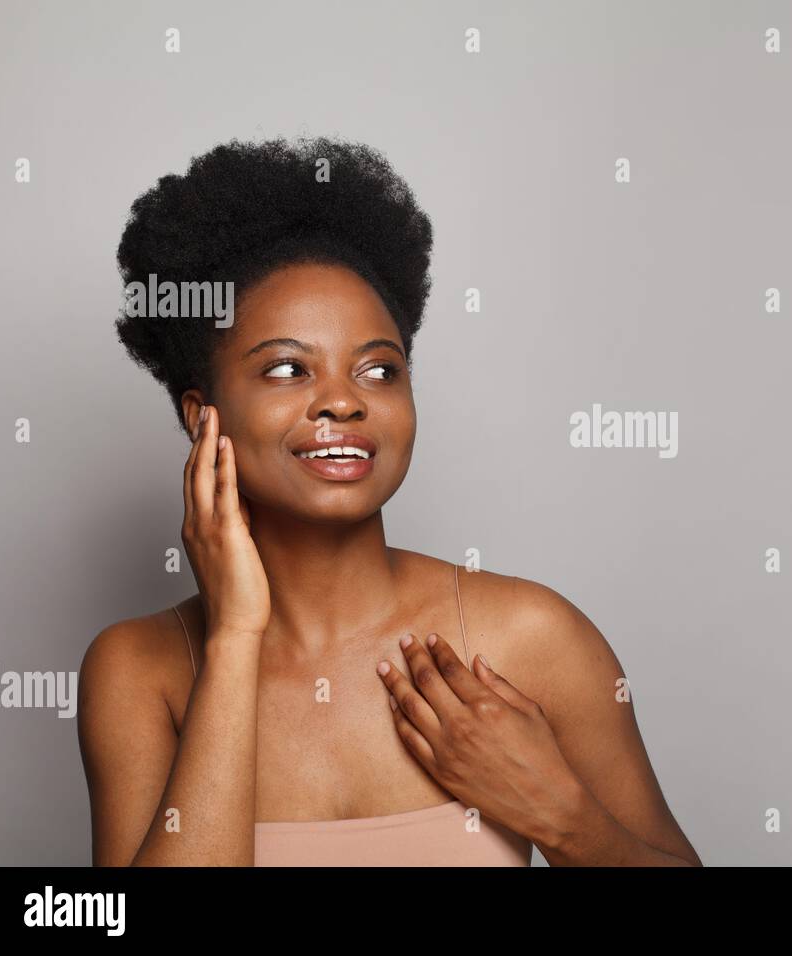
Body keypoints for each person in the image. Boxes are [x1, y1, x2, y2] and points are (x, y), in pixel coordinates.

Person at [76, 137, 701, 866]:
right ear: (200, 414)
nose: (343, 400)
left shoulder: (532, 640)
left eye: (379, 369)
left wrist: (561, 818)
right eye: (286, 368)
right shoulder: (139, 672)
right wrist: (235, 639)